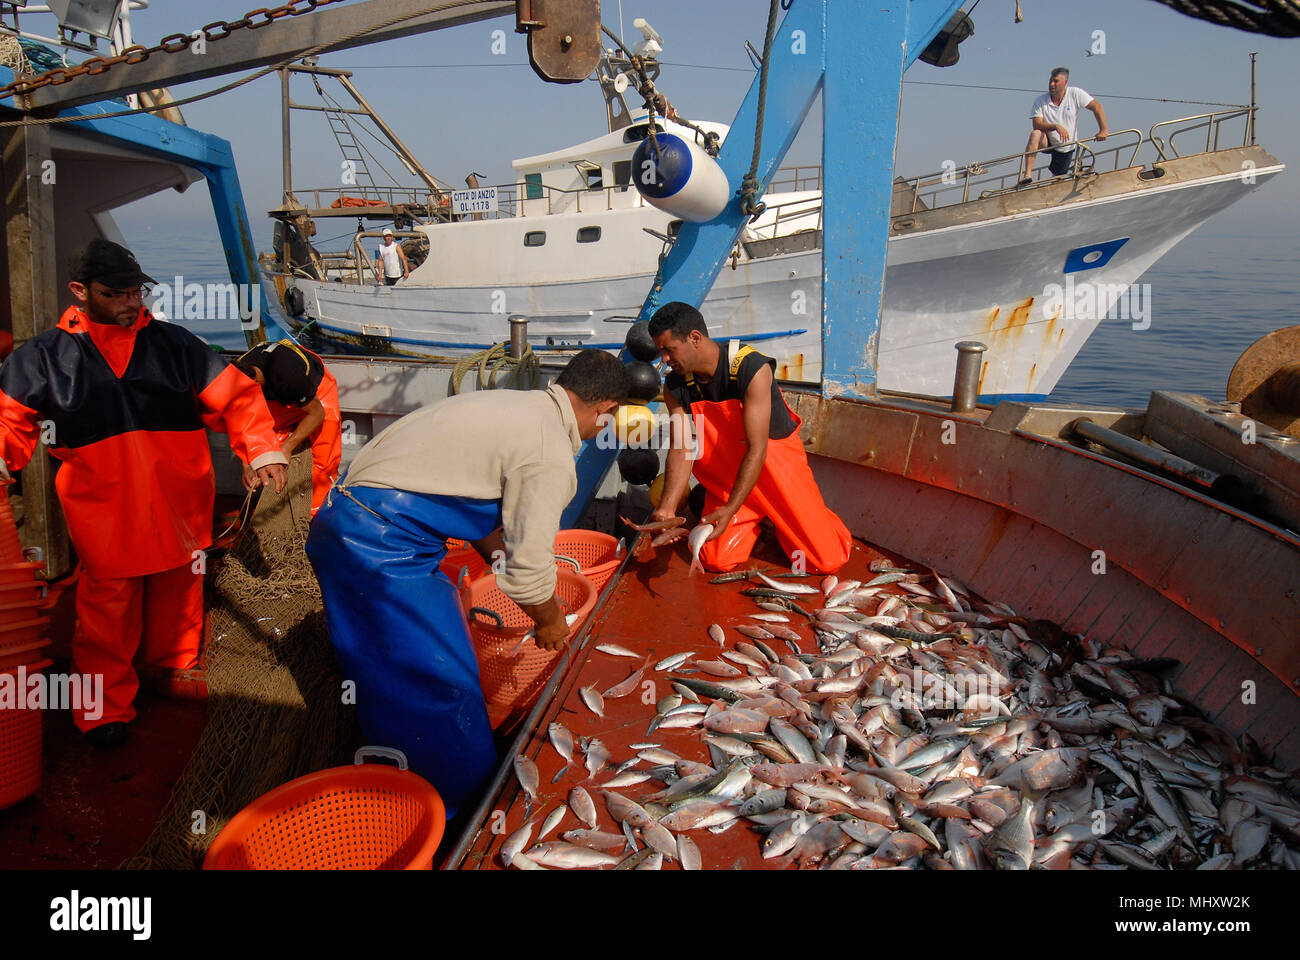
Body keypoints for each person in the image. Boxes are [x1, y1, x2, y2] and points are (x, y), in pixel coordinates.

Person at [305, 349, 629, 815]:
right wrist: (552, 621)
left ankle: (400, 777)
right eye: (608, 420)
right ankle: (459, 806)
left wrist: (503, 561)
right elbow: (529, 575)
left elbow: (469, 500)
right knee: (441, 677)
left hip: (348, 523)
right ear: (605, 409)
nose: (603, 429)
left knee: (381, 670)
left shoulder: (515, 405)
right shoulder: (549, 451)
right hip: (378, 547)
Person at [0, 239, 288, 747]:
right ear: (79, 292)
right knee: (106, 612)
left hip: (181, 501)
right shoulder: (42, 357)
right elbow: (9, 420)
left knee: (181, 591)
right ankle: (103, 712)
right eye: (115, 294)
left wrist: (262, 448)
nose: (131, 303)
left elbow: (239, 399)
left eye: (137, 291)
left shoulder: (177, 346)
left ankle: (174, 670)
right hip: (104, 510)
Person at [648, 301, 851, 575]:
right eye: (660, 351)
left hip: (777, 476)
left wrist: (730, 508)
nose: (663, 359)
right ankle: (764, 520)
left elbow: (757, 448)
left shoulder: (750, 368)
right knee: (715, 561)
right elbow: (681, 447)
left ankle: (811, 519)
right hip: (728, 480)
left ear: (695, 338)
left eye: (668, 349)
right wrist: (668, 509)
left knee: (826, 561)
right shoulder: (675, 386)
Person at [234, 339, 342, 515]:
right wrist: (247, 461)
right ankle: (273, 507)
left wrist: (287, 447)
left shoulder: (287, 376)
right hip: (273, 395)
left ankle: (313, 516)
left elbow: (317, 414)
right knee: (267, 450)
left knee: (323, 459)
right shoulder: (238, 374)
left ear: (255, 384)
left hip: (315, 393)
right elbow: (245, 422)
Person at [1019, 67, 1108, 184]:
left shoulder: (1075, 93)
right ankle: (1027, 175)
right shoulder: (1041, 100)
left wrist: (1103, 130)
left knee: (1056, 181)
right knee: (1035, 133)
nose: (1051, 84)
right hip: (1048, 141)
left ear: (1065, 82)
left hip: (1066, 146)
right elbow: (1037, 124)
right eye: (1050, 81)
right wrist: (1055, 126)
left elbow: (1097, 107)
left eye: (1056, 81)